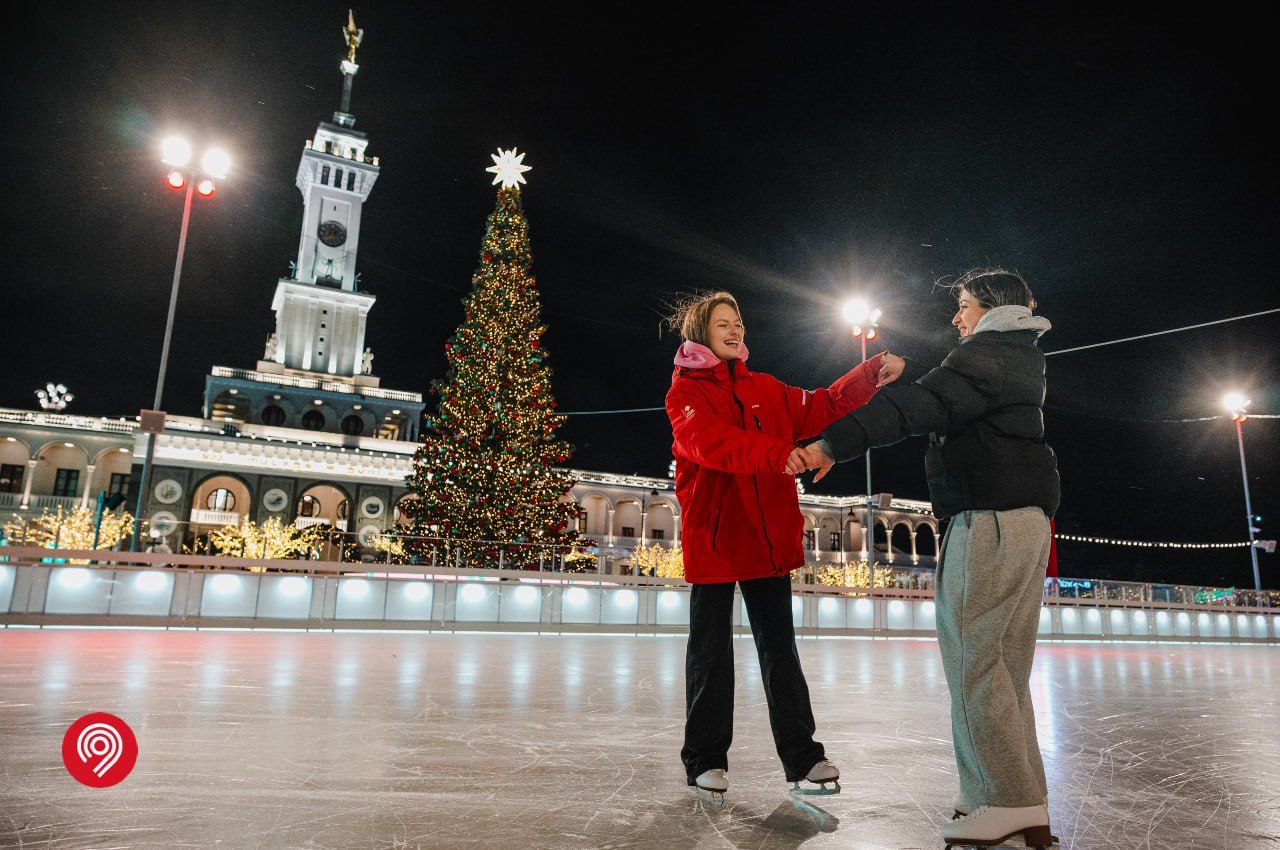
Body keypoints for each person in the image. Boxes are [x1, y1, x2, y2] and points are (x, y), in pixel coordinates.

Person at [800, 269, 1060, 848]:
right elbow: (955, 396)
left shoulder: (988, 353)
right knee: (1002, 669)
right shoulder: (1014, 355)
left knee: (975, 663)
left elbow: (919, 406)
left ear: (992, 308)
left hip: (989, 518)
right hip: (1022, 519)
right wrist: (915, 372)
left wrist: (830, 445)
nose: (956, 317)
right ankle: (1016, 798)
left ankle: (1005, 800)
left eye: (963, 305)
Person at [664, 290, 904, 800]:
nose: (735, 330)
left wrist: (869, 373)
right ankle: (705, 759)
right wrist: (780, 455)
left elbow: (823, 405)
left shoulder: (766, 389)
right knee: (710, 654)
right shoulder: (685, 394)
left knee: (780, 652)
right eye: (723, 324)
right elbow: (711, 443)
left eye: (738, 322)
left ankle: (803, 758)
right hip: (716, 538)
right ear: (701, 334)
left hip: (767, 538)